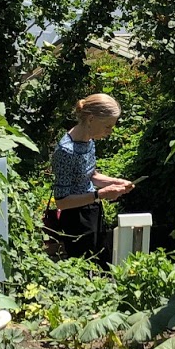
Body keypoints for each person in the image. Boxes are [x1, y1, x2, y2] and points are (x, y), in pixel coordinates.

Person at [46, 94, 134, 262]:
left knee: (101, 262)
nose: (110, 132)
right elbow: (62, 202)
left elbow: (91, 175)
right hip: (75, 219)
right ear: (91, 119)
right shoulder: (65, 151)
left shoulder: (89, 141)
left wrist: (116, 182)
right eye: (107, 126)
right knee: (85, 266)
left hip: (93, 211)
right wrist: (100, 195)